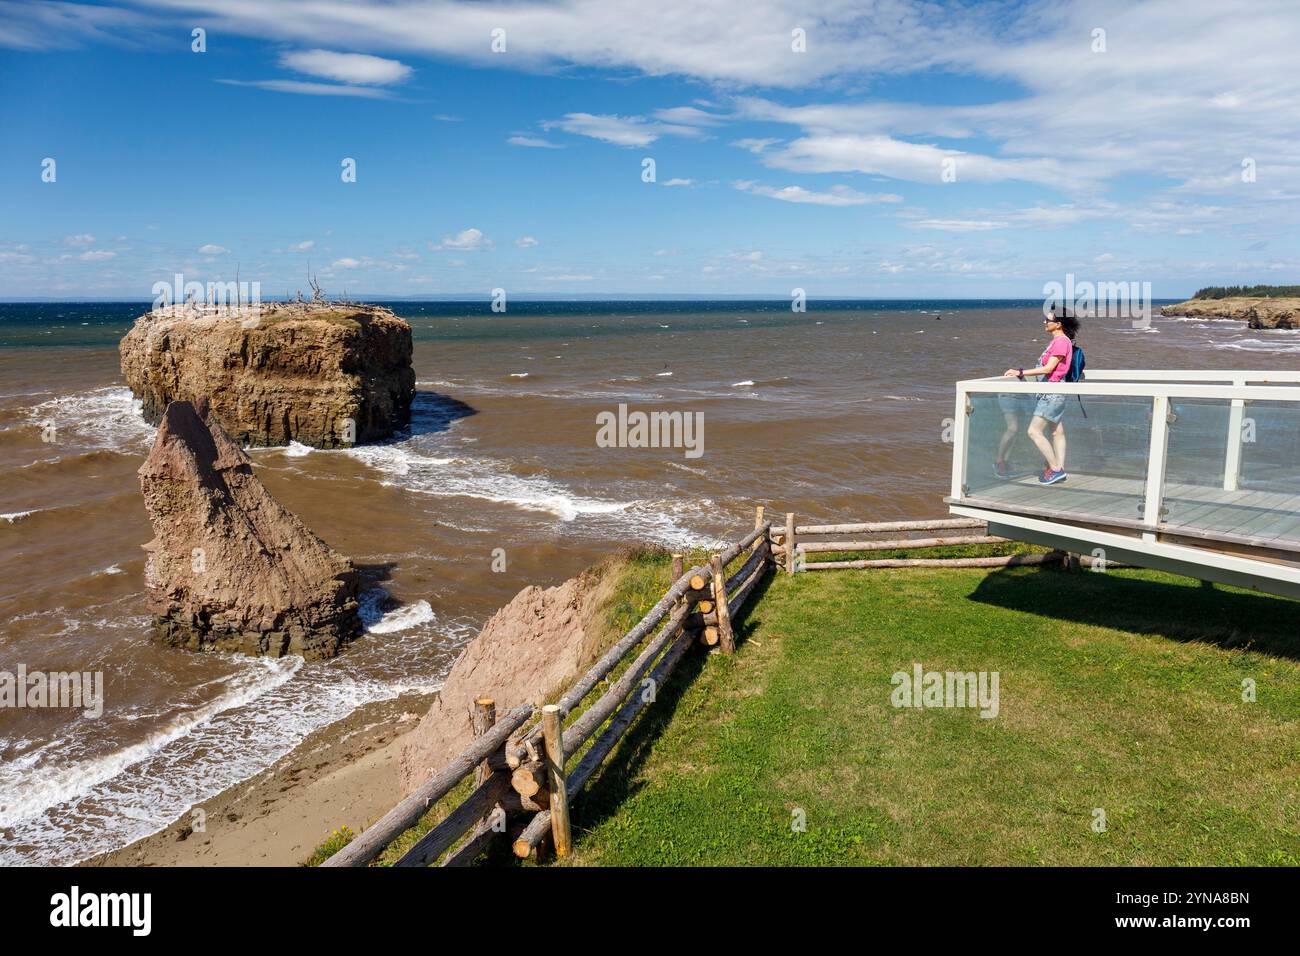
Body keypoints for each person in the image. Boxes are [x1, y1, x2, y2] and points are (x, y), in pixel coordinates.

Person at [1002, 308, 1079, 485]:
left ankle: (1055, 469)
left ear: (1058, 324)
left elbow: (1048, 369)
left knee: (1033, 431)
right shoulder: (1059, 341)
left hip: (1052, 393)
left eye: (1048, 320)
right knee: (1057, 431)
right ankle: (1059, 467)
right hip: (1052, 392)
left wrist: (1020, 372)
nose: (1044, 322)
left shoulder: (1061, 342)